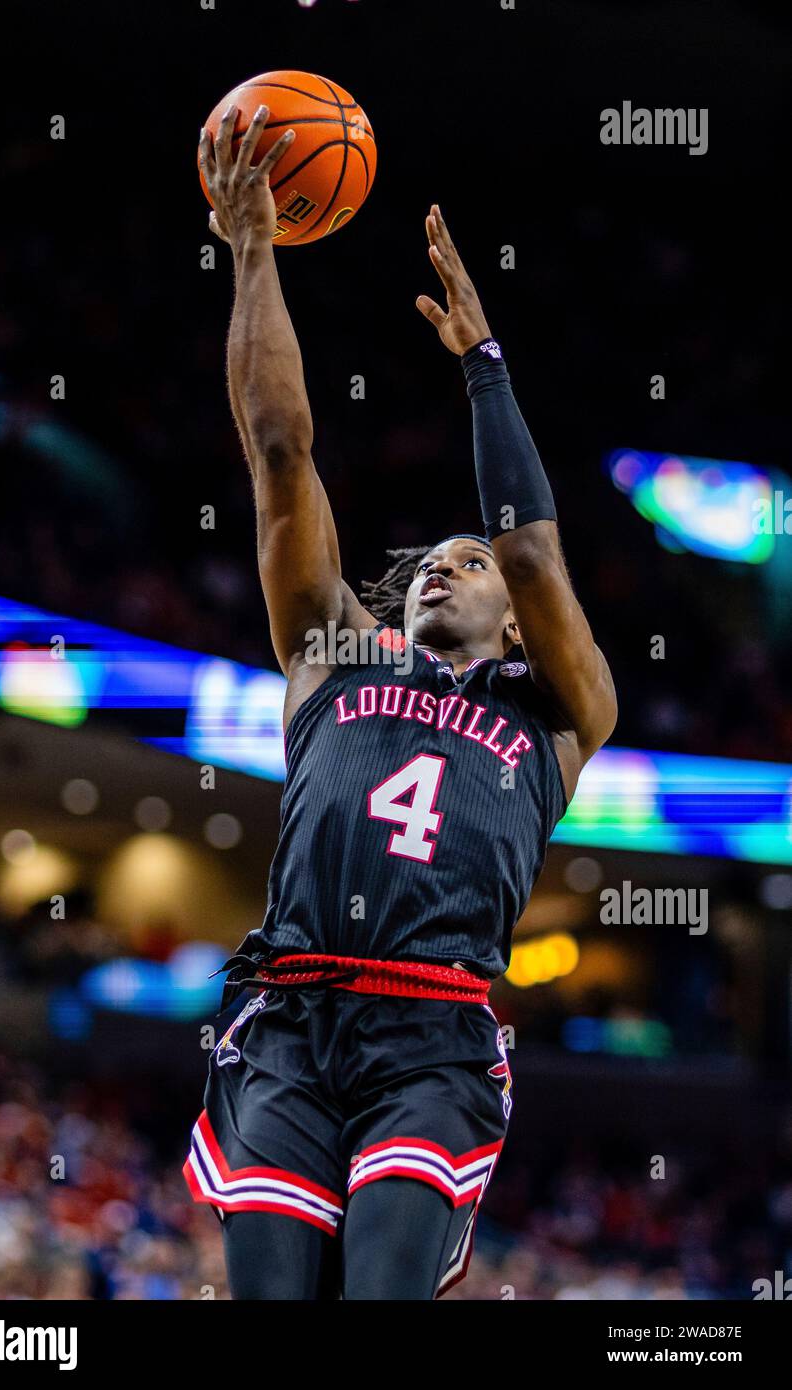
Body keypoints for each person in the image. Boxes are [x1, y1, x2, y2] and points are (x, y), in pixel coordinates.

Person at [183, 104, 617, 1300]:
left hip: (430, 1035)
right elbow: (278, 450)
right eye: (429, 556)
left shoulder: (562, 713)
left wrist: (484, 370)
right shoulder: (335, 652)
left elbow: (532, 551)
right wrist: (254, 251)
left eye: (463, 560)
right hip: (288, 1011)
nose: (442, 564)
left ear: (514, 618)